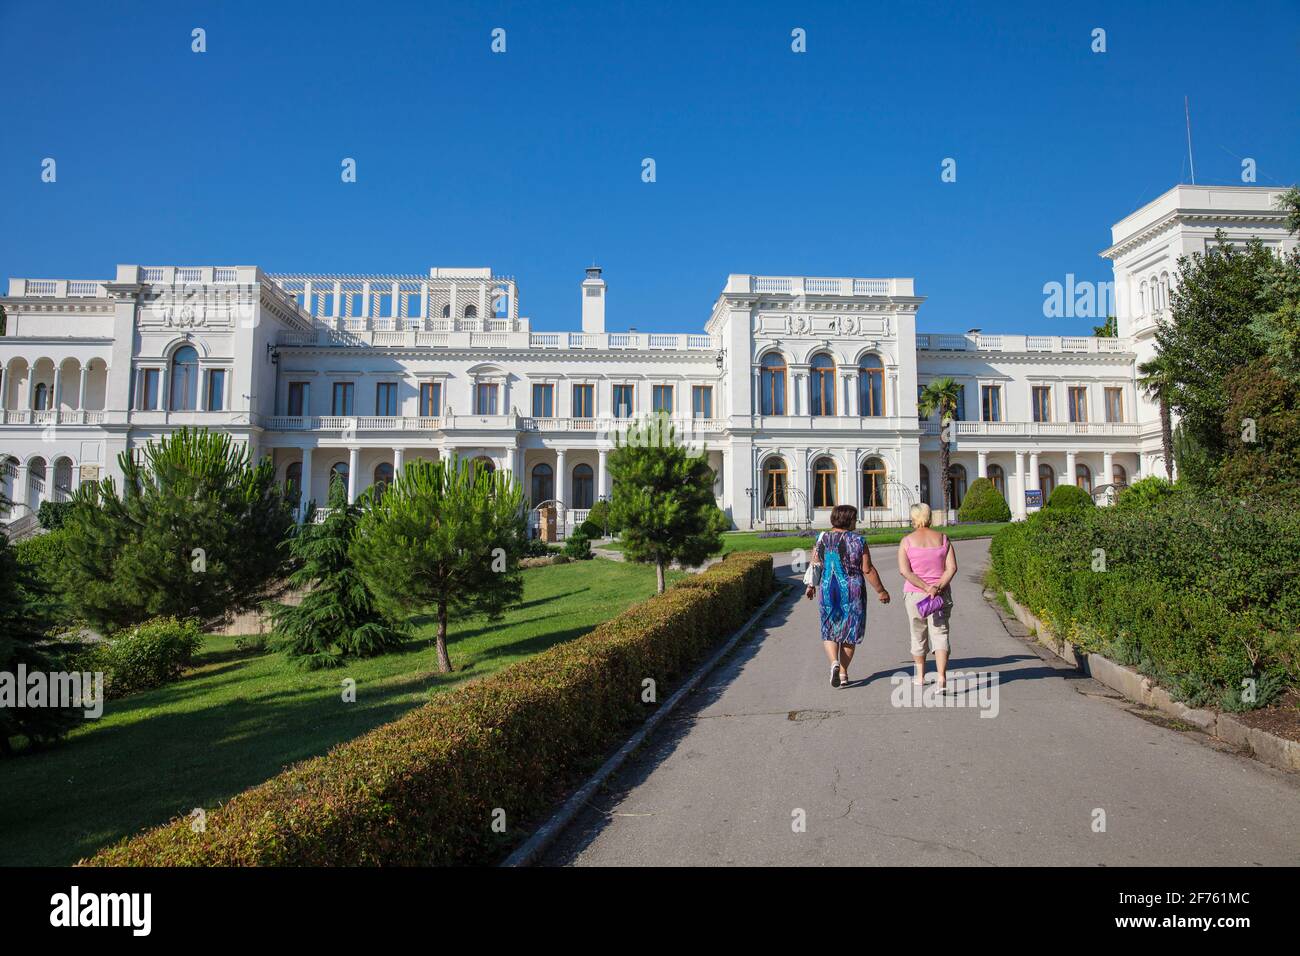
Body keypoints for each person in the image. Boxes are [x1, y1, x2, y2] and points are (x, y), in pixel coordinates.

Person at [804, 504, 891, 688]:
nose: (856, 521)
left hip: (828, 588)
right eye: (855, 518)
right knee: (850, 632)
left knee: (829, 628)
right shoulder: (859, 541)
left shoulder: (822, 538)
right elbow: (867, 569)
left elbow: (815, 563)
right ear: (848, 519)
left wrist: (811, 585)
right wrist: (881, 590)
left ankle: (833, 663)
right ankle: (843, 673)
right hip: (853, 590)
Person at [897, 502, 958, 691]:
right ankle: (941, 678)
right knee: (940, 633)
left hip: (916, 594)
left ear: (913, 518)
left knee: (918, 633)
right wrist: (937, 587)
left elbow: (904, 571)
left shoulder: (906, 541)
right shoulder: (943, 539)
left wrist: (925, 587)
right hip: (940, 595)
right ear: (929, 517)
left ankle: (921, 676)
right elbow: (952, 568)